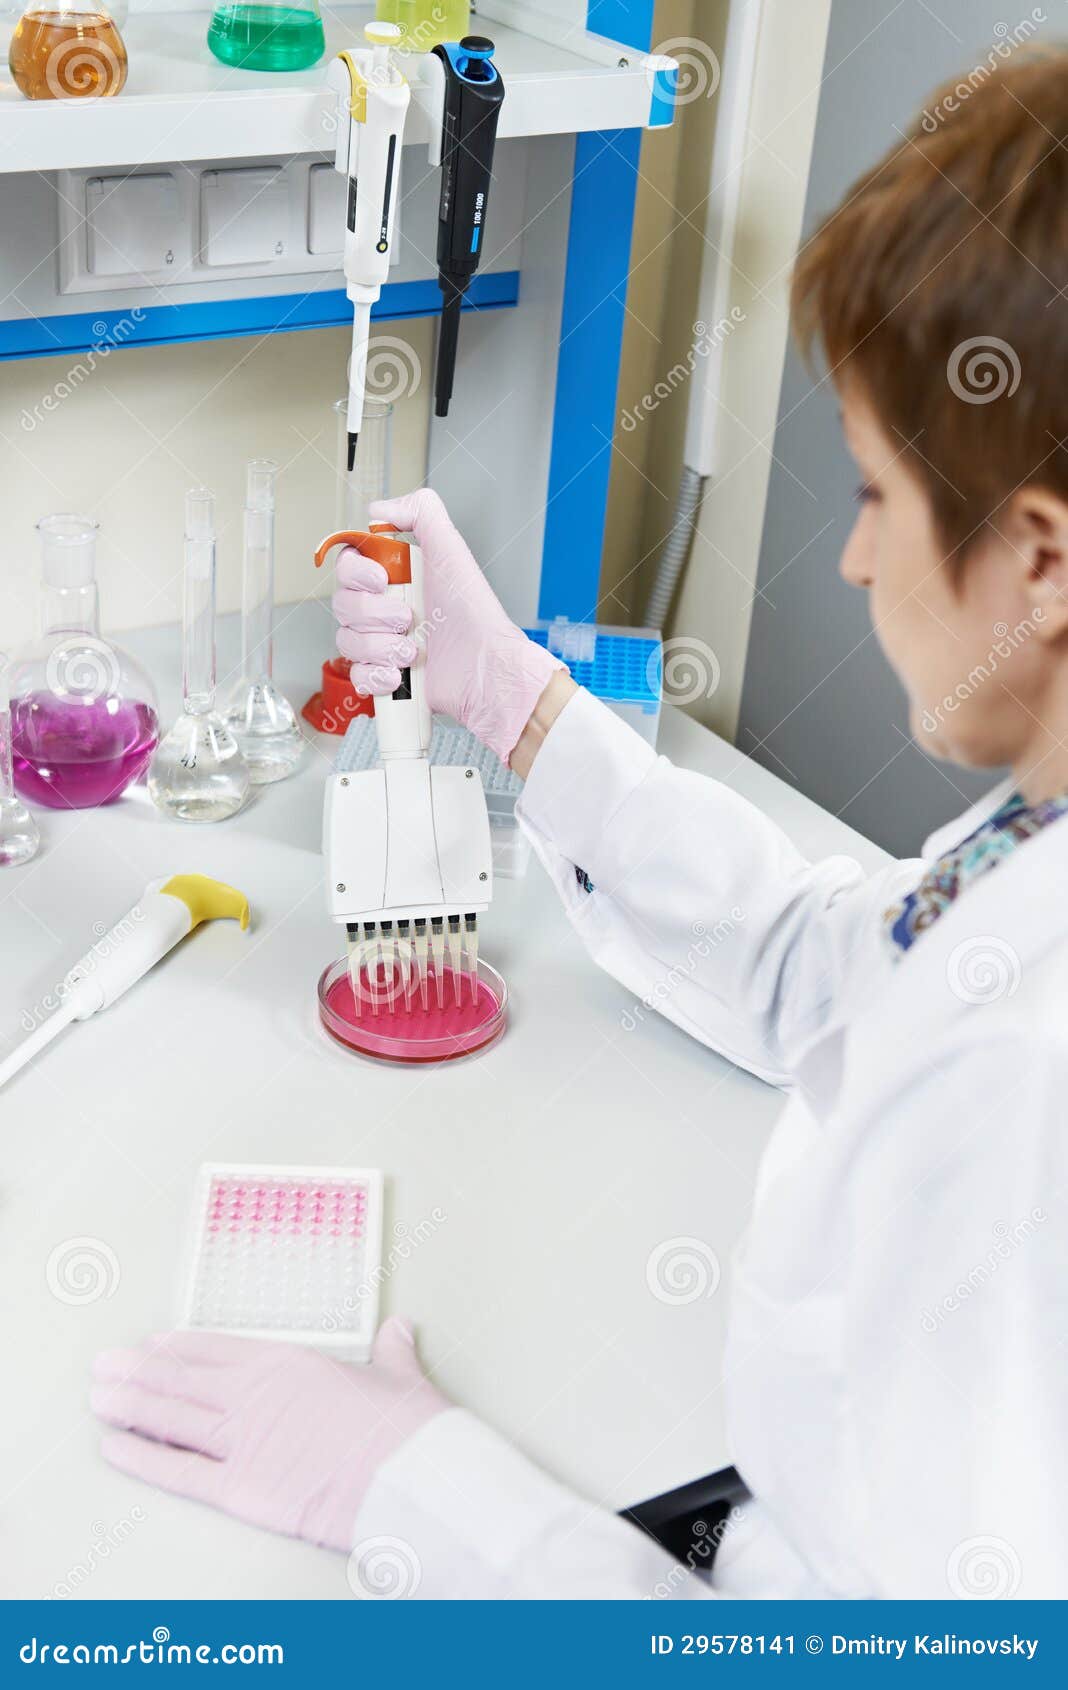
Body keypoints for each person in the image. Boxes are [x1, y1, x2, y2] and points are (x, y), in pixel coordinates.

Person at [92, 54, 1068, 1598]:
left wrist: (423, 1493)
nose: (854, 560)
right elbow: (840, 965)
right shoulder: (1032, 857)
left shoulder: (1030, 1077)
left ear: (1041, 561)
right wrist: (520, 699)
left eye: (876, 493)